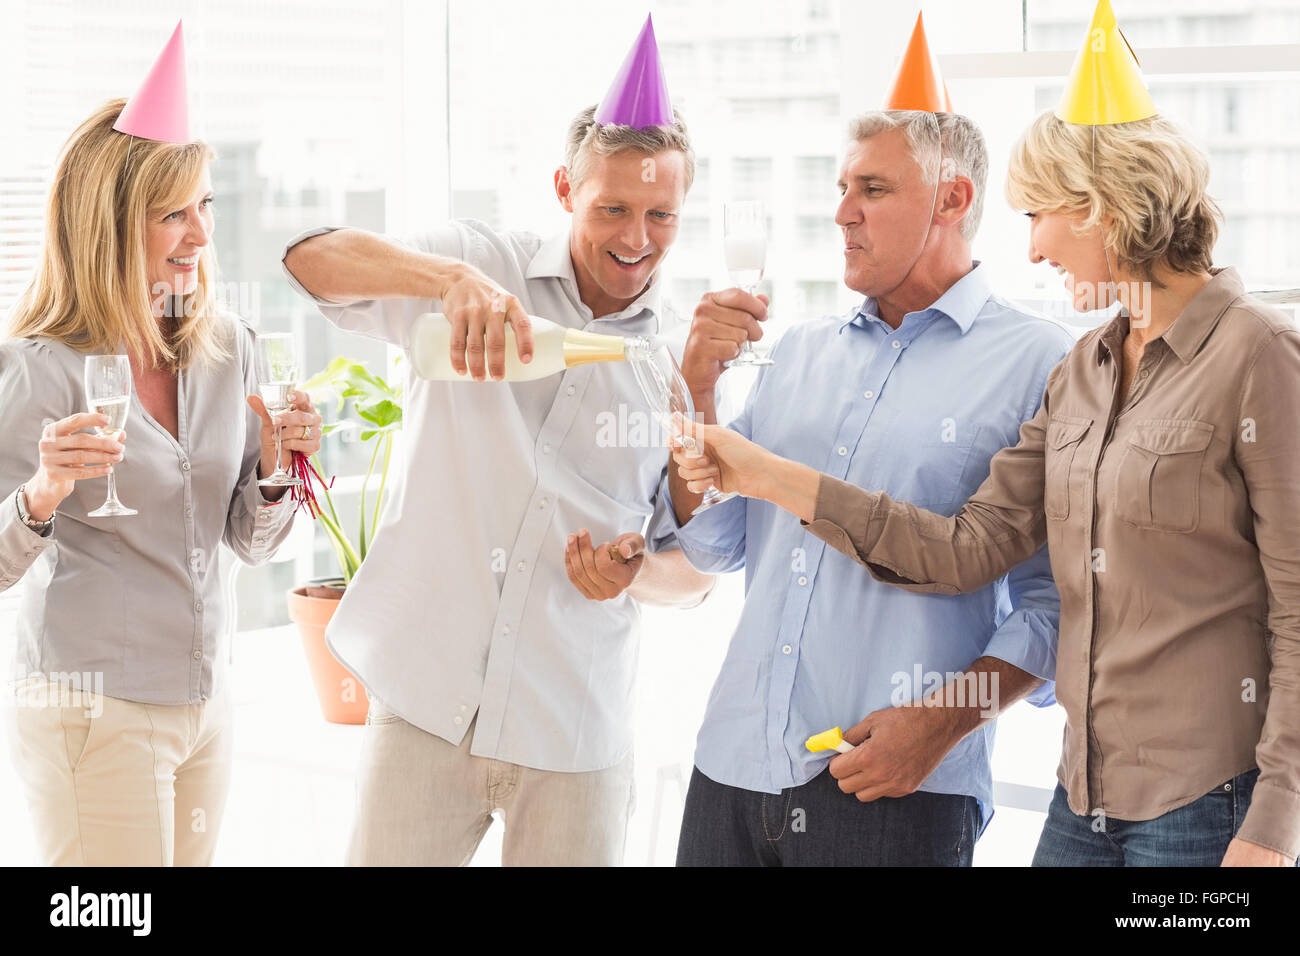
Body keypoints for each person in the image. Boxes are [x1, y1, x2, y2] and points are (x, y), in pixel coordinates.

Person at [671, 102, 1300, 868]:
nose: (1032, 249)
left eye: (1039, 213)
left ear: (1107, 208)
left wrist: (1274, 826)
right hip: (1086, 794)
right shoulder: (1084, 371)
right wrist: (775, 476)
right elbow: (965, 547)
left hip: (1209, 797)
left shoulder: (1259, 353)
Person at [280, 18, 713, 866]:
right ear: (564, 188)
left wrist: (635, 575)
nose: (636, 238)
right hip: (425, 703)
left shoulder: (673, 364)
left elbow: (694, 571)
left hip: (576, 730)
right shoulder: (479, 268)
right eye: (613, 208)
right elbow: (309, 262)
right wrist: (444, 281)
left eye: (661, 214)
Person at [662, 17, 1074, 867]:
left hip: (895, 788)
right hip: (733, 764)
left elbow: (1054, 608)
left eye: (872, 190)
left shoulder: (1040, 362)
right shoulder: (802, 351)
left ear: (953, 199)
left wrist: (942, 723)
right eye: (842, 186)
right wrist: (698, 387)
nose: (841, 213)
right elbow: (714, 538)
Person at [0, 62, 321, 865]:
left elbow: (249, 541)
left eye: (205, 205)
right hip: (90, 710)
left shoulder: (227, 351)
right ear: (109, 225)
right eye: (173, 213)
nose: (202, 235)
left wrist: (280, 468)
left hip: (204, 700)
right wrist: (43, 494)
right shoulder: (38, 370)